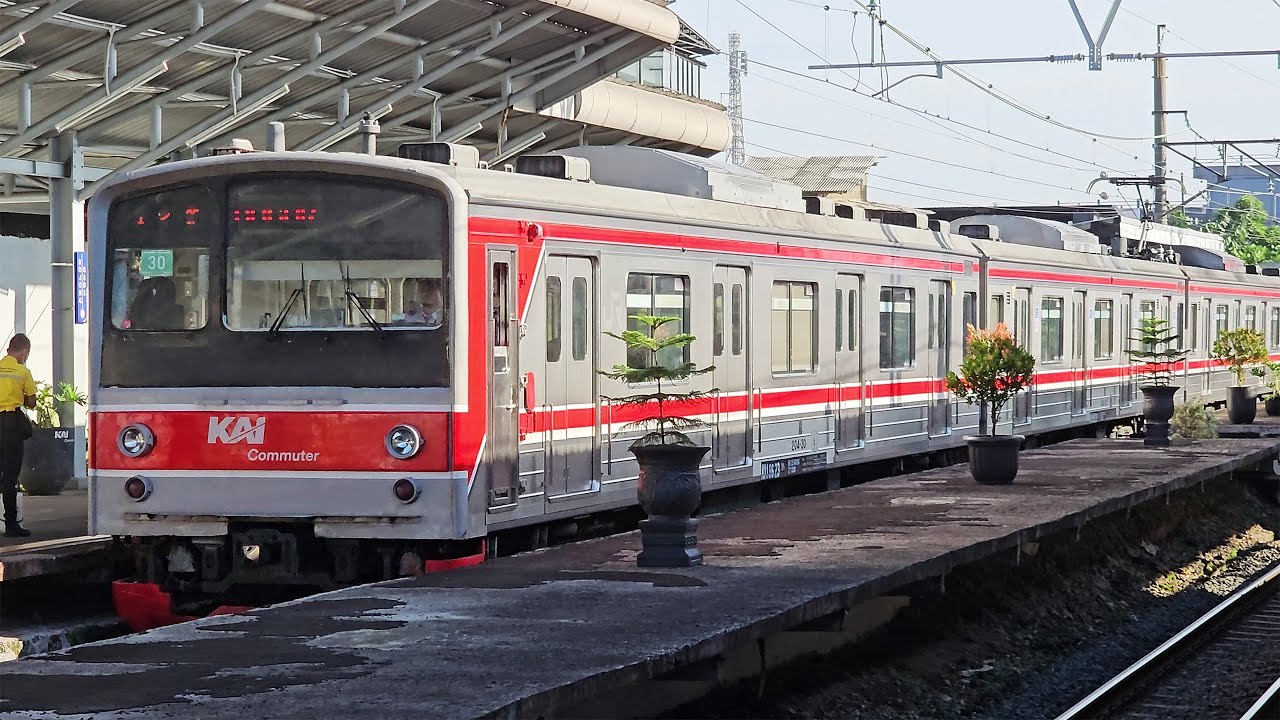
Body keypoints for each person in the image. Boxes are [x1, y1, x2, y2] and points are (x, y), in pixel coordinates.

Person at [0, 334, 37, 538]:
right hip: (11, 424)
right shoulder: (22, 371)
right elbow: (31, 402)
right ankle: (11, 525)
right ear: (24, 352)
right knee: (10, 477)